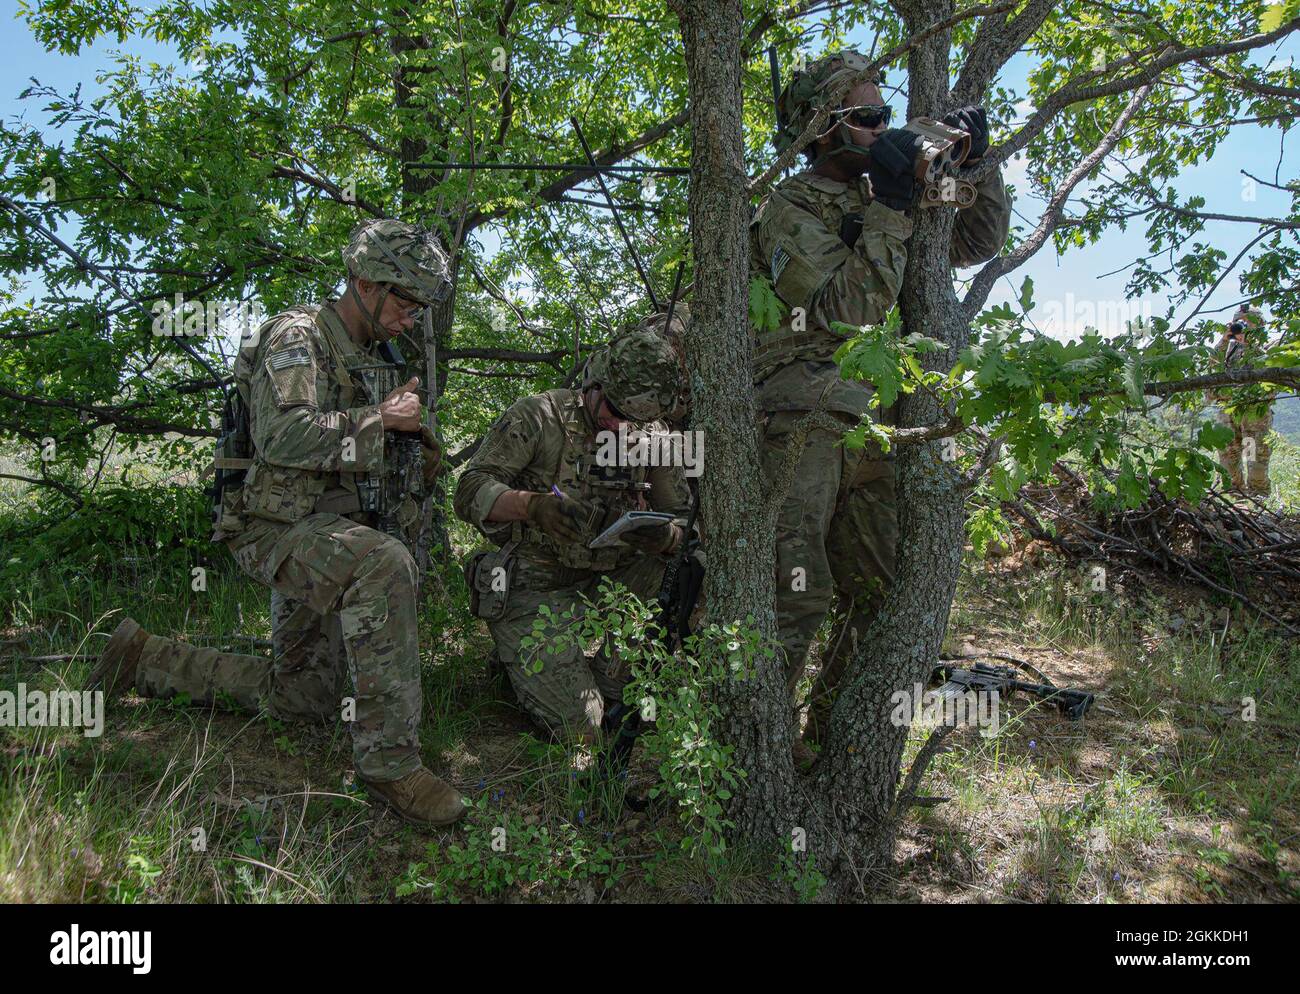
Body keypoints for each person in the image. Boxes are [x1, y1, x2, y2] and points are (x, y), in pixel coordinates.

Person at [90, 219, 466, 827]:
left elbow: (366, 453)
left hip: (326, 532)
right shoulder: (298, 338)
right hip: (271, 527)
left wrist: (418, 448)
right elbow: (284, 436)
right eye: (406, 302)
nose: (413, 319)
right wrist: (380, 421)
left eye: (422, 307)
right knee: (383, 563)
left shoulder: (378, 355)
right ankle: (392, 767)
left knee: (304, 700)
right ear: (366, 284)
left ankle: (144, 658)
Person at [752, 50, 1011, 760]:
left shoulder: (886, 189)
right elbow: (842, 313)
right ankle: (756, 759)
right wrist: (893, 208)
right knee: (795, 595)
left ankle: (830, 745)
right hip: (801, 418)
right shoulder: (790, 205)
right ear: (821, 129)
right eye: (866, 118)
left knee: (879, 594)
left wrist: (975, 164)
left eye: (885, 116)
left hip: (878, 427)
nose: (880, 129)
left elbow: (979, 242)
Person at [453, 327, 691, 742]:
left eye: (632, 421)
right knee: (584, 731)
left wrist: (666, 536)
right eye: (613, 412)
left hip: (610, 583)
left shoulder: (656, 439)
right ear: (593, 386)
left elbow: (686, 522)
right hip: (536, 584)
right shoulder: (539, 416)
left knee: (687, 576)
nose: (619, 427)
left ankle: (605, 682)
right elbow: (470, 489)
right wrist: (532, 506)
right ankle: (523, 671)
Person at [1213, 303, 1276, 496]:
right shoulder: (1229, 348)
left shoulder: (1269, 346)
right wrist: (1224, 340)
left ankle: (1259, 500)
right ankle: (1234, 498)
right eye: (1240, 322)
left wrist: (1252, 345)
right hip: (1229, 410)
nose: (1244, 327)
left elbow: (1269, 369)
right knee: (1227, 457)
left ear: (1260, 324)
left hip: (1254, 413)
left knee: (1255, 458)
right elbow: (1213, 368)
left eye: (1249, 322)